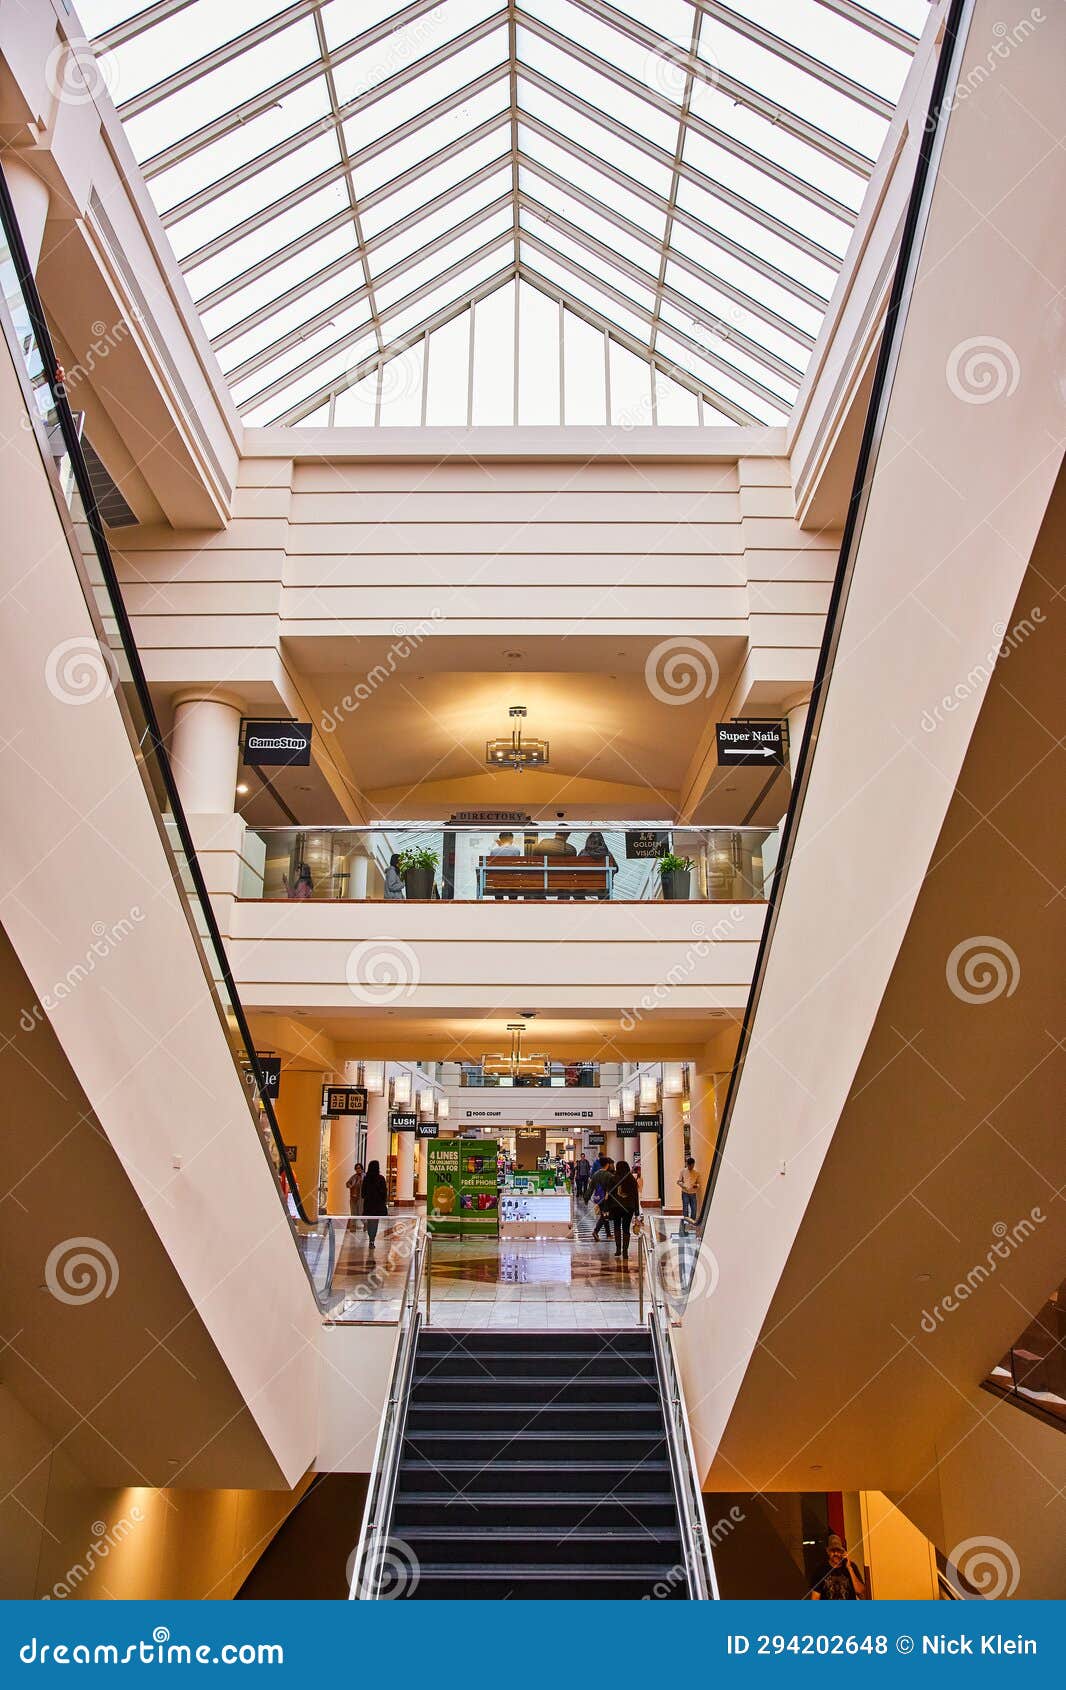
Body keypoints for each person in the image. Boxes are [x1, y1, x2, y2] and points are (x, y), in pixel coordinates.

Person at [603, 1158, 641, 1263]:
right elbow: (635, 1196)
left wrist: (606, 1208)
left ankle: (618, 1249)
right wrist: (637, 1211)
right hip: (629, 1207)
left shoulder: (613, 1179)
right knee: (626, 1229)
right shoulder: (631, 1180)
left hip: (616, 1207)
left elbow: (608, 1194)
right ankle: (625, 1251)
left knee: (616, 1227)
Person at [807, 1534, 866, 1600]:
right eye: (833, 1550)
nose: (836, 1553)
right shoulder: (820, 1570)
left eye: (838, 1550)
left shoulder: (851, 1567)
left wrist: (849, 1568)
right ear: (827, 1551)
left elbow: (861, 1593)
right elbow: (815, 1598)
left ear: (843, 1552)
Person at [360, 1158, 389, 1253]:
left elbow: (363, 1193)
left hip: (368, 1204)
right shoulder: (381, 1178)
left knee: (370, 1221)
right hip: (377, 1205)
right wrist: (383, 1201)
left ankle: (370, 1238)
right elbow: (384, 1193)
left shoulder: (366, 1179)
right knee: (375, 1222)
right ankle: (372, 1240)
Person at [589, 1156, 615, 1240]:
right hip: (605, 1198)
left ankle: (608, 1234)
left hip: (598, 1197)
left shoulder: (596, 1174)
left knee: (604, 1215)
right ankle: (596, 1231)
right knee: (604, 1215)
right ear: (607, 1164)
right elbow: (610, 1186)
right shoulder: (609, 1175)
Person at [678, 1156, 701, 1222]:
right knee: (685, 1208)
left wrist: (696, 1185)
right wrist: (683, 1185)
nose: (691, 1167)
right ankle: (685, 1221)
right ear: (687, 1164)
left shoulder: (696, 1173)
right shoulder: (683, 1171)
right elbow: (679, 1181)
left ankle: (692, 1221)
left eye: (692, 1165)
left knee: (694, 1208)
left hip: (693, 1193)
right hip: (685, 1192)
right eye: (690, 1166)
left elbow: (699, 1183)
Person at [345, 1160, 364, 1232]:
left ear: (362, 1169)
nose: (358, 1169)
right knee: (353, 1213)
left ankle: (366, 1224)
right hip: (353, 1198)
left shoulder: (365, 1176)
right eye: (357, 1168)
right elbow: (347, 1183)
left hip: (361, 1198)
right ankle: (353, 1227)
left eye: (359, 1168)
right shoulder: (353, 1177)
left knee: (361, 1212)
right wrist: (350, 1186)